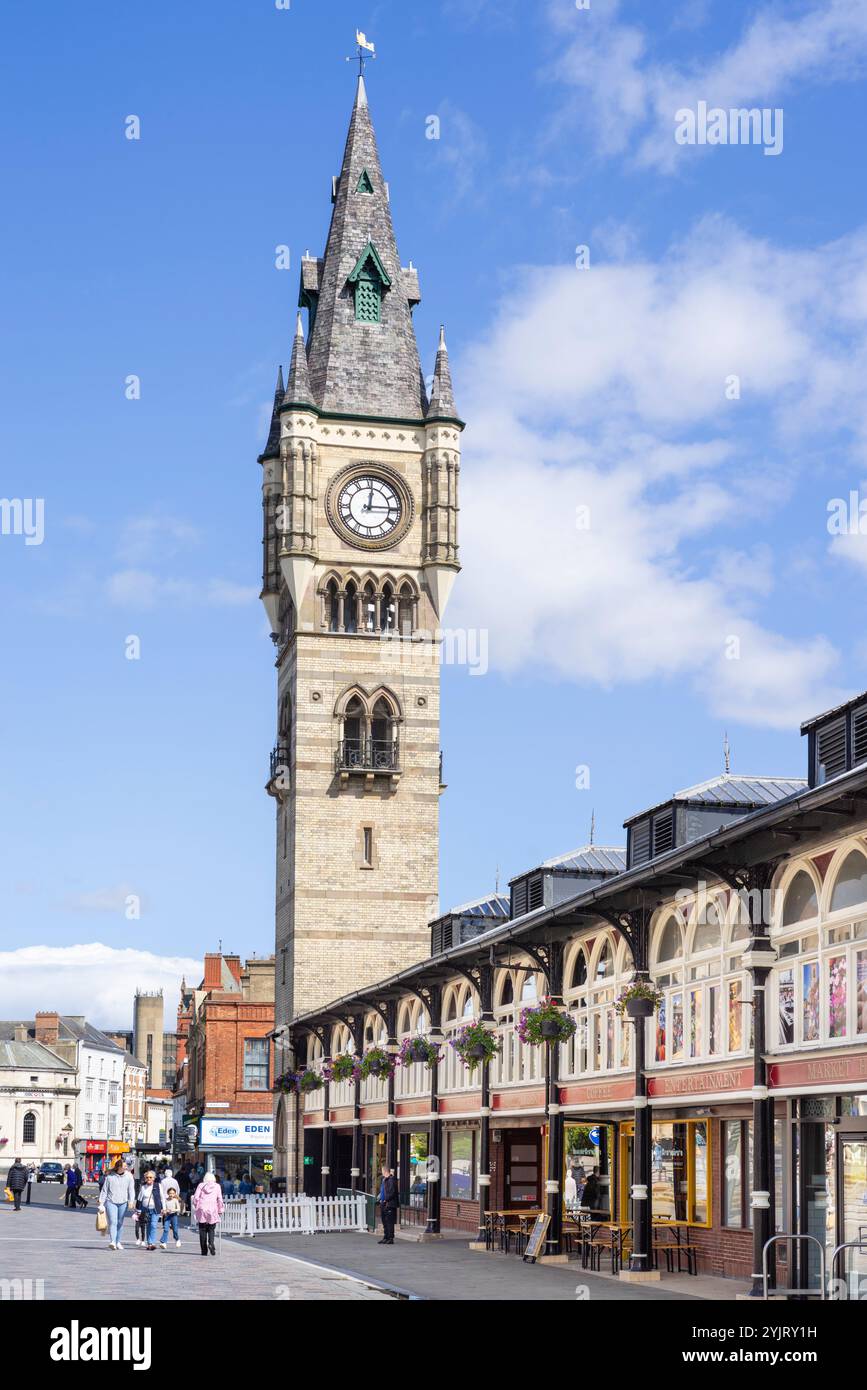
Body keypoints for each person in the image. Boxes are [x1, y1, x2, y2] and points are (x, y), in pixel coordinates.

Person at [97, 1158, 135, 1249]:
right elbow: (104, 1190)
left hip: (123, 1202)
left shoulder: (129, 1176)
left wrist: (131, 1201)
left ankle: (118, 1241)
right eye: (124, 1166)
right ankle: (113, 1242)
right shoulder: (110, 1177)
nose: (126, 1167)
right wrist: (101, 1203)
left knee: (120, 1222)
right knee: (113, 1222)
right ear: (119, 1167)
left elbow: (131, 1190)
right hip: (111, 1202)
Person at [192, 1170, 224, 1256]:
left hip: (202, 1208)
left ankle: (204, 1250)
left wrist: (196, 1205)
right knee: (211, 1228)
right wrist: (220, 1210)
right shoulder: (217, 1186)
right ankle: (211, 1243)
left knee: (202, 1229)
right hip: (212, 1209)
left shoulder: (201, 1185)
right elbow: (220, 1199)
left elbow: (195, 1197)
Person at [136, 1170, 164, 1250]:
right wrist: (138, 1210)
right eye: (147, 1177)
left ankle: (152, 1243)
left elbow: (162, 1198)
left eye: (150, 1177)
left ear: (154, 1178)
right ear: (145, 1178)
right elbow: (139, 1199)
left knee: (153, 1225)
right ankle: (149, 1243)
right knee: (148, 1226)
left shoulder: (158, 1186)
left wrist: (164, 1208)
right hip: (145, 1209)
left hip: (155, 1209)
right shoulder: (143, 1187)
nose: (149, 1179)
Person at [378, 1165, 398, 1245]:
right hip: (383, 1203)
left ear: (385, 1171)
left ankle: (390, 1238)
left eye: (382, 1171)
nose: (382, 1172)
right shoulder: (384, 1180)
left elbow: (392, 1192)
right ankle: (385, 1237)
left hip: (389, 1204)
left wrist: (386, 1199)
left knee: (390, 1222)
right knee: (384, 1221)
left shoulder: (391, 1180)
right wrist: (380, 1199)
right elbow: (383, 1191)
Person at [159, 1183, 183, 1250]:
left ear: (175, 1194)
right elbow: (163, 1209)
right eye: (170, 1193)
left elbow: (178, 1209)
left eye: (173, 1193)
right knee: (166, 1229)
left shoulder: (175, 1200)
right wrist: (164, 1211)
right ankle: (164, 1243)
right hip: (167, 1216)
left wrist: (172, 1210)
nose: (171, 1195)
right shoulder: (166, 1200)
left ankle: (177, 1239)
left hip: (174, 1216)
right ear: (168, 1193)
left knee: (175, 1229)